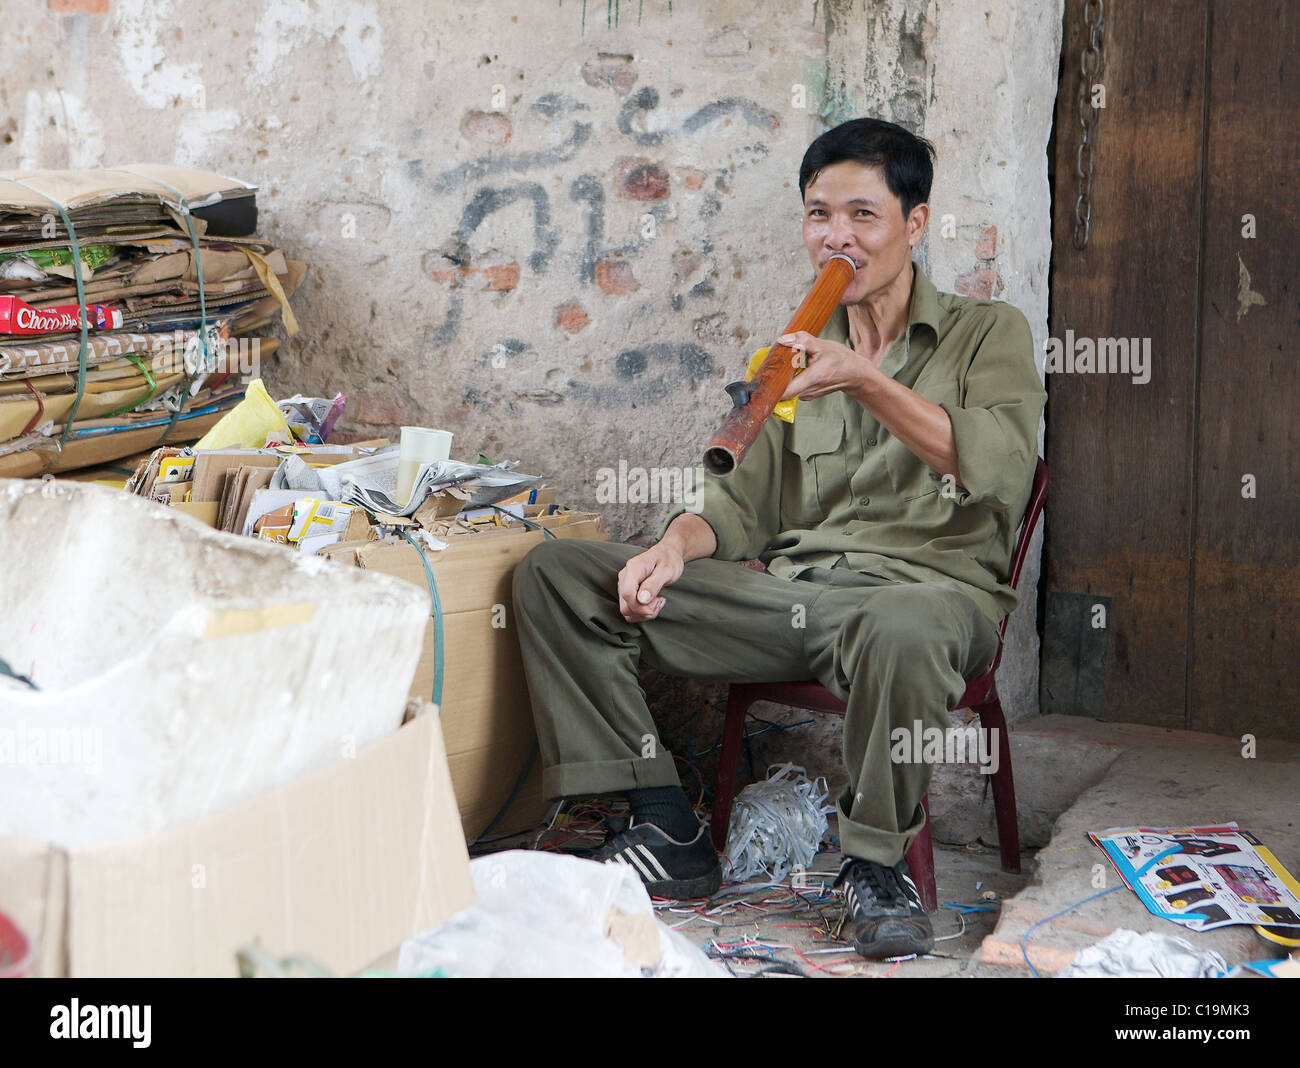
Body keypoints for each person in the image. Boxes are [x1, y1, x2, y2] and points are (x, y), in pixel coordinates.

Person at [512, 117, 1046, 959]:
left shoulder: (989, 334)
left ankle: (874, 866)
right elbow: (736, 504)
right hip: (798, 602)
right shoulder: (793, 358)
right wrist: (674, 547)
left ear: (915, 223)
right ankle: (664, 824)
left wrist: (866, 381)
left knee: (899, 624)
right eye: (818, 214)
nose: (837, 236)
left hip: (929, 598)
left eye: (863, 216)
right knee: (556, 573)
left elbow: (1001, 470)